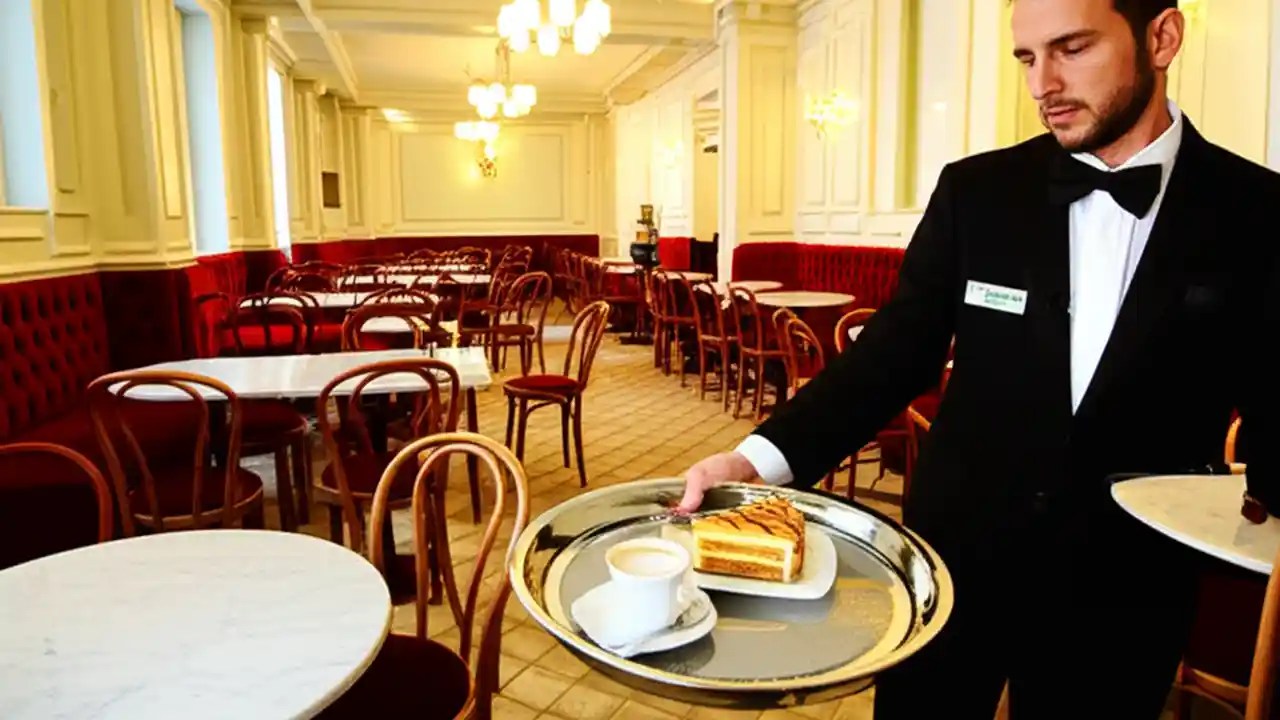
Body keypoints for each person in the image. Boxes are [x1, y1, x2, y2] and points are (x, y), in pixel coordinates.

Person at [677, 0, 1280, 717]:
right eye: (1026, 57)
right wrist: (755, 460)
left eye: (1072, 48)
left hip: (1126, 585)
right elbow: (894, 355)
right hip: (955, 558)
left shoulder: (1257, 211)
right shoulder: (977, 192)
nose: (1041, 84)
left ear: (1162, 37)